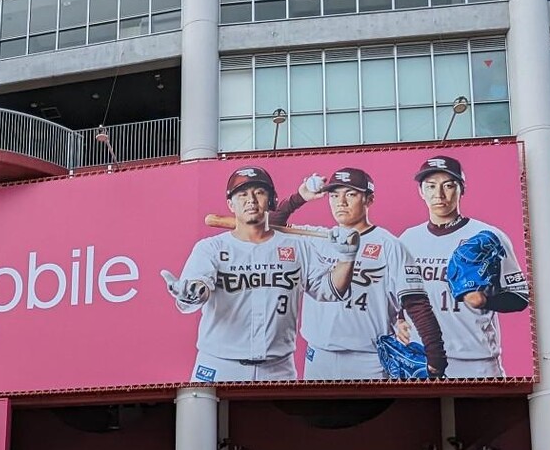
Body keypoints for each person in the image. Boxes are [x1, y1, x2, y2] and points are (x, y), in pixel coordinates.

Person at [165, 165, 361, 383]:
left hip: (278, 368)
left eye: (259, 192)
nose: (251, 200)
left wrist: (347, 258)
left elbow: (331, 291)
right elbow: (197, 288)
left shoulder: (298, 246)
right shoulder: (210, 248)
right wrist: (192, 292)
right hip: (218, 365)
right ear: (230, 204)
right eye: (242, 194)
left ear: (271, 200)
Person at [271, 167, 442, 380]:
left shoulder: (389, 245)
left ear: (369, 200)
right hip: (319, 356)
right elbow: (270, 228)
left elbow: (416, 304)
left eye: (350, 194)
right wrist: (300, 197)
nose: (340, 202)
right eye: (334, 195)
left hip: (368, 360)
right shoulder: (317, 238)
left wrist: (436, 358)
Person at [398, 154, 530, 378]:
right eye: (431, 186)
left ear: (462, 189)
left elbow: (520, 297)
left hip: (476, 360)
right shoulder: (408, 239)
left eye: (448, 186)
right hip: (421, 358)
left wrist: (486, 300)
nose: (438, 195)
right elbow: (399, 291)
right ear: (421, 191)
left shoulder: (487, 236)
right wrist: (399, 318)